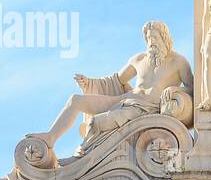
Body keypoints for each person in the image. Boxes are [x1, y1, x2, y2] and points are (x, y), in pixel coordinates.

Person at [26, 21, 193, 154]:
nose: (151, 43)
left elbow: (193, 90)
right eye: (148, 38)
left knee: (96, 123)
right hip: (124, 101)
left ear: (165, 38)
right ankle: (51, 137)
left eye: (155, 38)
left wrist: (175, 90)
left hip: (145, 109)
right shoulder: (139, 59)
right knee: (75, 101)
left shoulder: (178, 62)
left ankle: (83, 159)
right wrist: (90, 83)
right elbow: (115, 80)